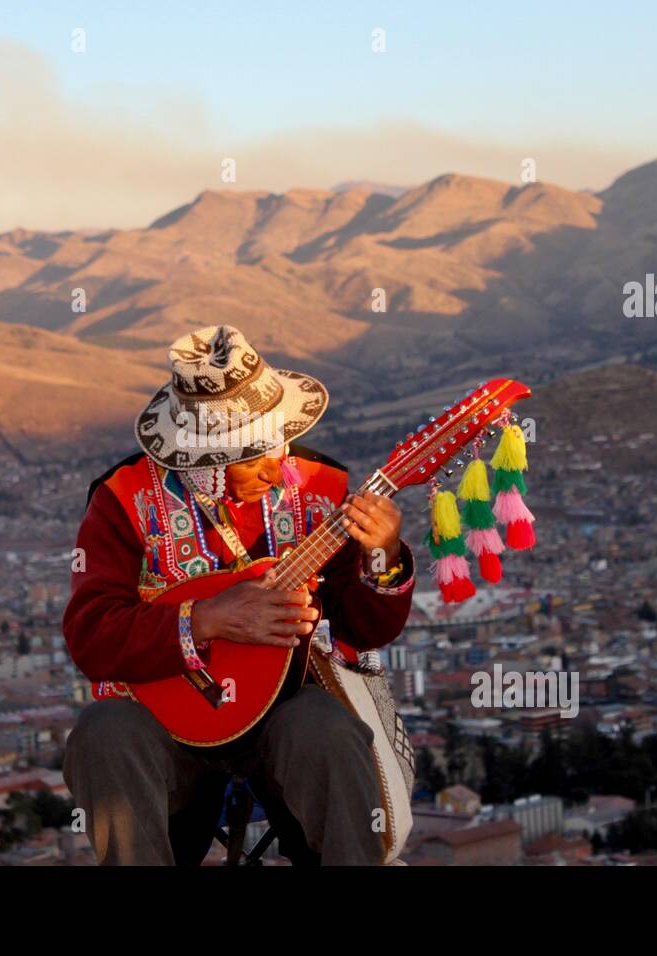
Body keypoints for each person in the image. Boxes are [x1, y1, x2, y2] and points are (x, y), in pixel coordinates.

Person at [61, 325, 415, 865]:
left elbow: (365, 629)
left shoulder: (319, 486)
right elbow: (91, 636)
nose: (276, 466)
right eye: (253, 457)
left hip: (285, 716)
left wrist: (383, 554)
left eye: (278, 444)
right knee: (102, 733)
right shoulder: (123, 501)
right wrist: (204, 619)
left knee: (328, 731)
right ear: (203, 462)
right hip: (167, 726)